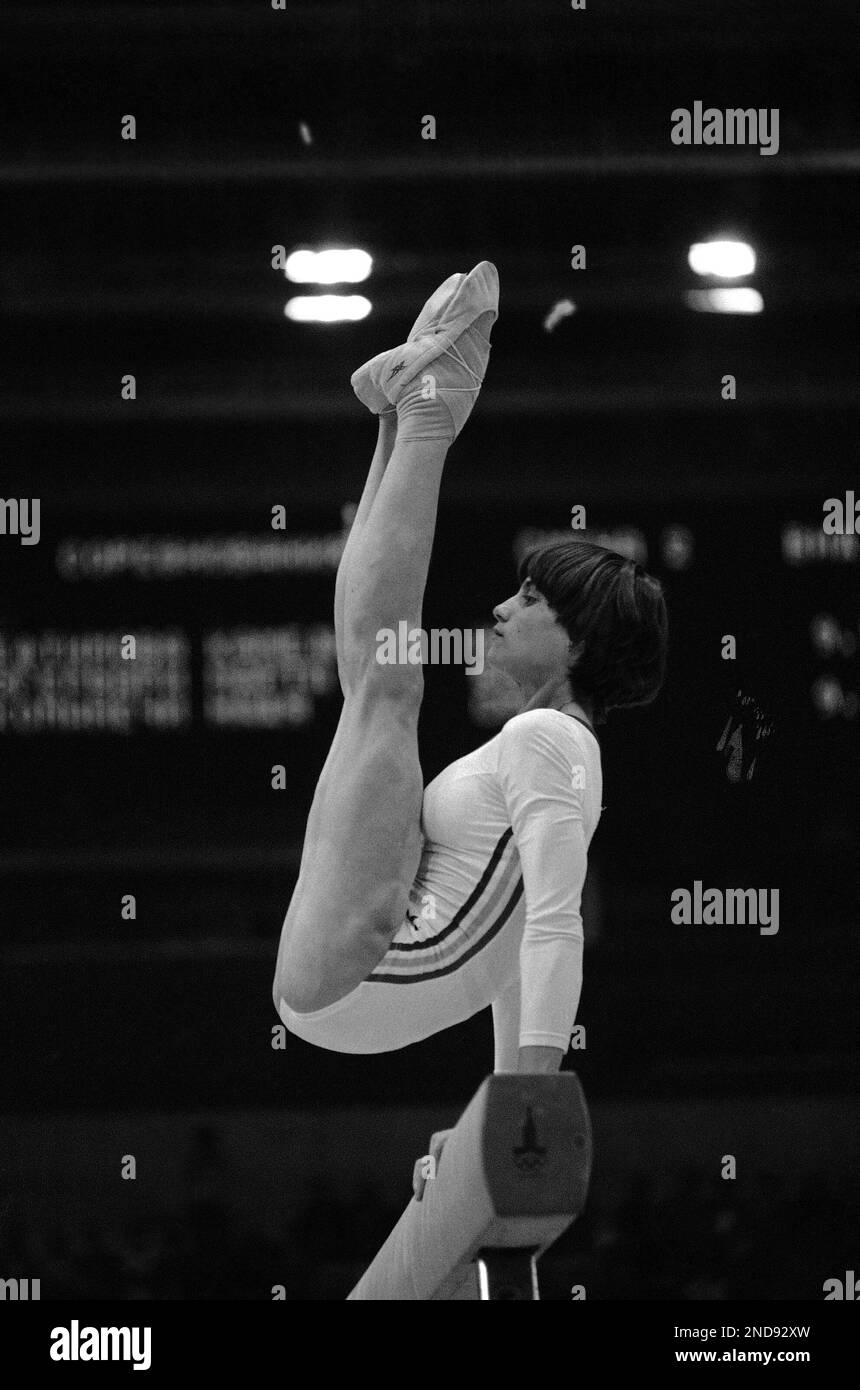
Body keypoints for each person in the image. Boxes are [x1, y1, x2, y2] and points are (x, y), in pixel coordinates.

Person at [272, 263, 667, 1140]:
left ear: (579, 641)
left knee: (384, 681)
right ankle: (402, 421)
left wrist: (527, 1104)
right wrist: (495, 1109)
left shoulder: (551, 743)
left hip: (359, 969)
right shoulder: (548, 750)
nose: (499, 607)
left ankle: (420, 420)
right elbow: (513, 948)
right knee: (372, 678)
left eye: (529, 600)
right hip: (349, 977)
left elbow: (555, 929)